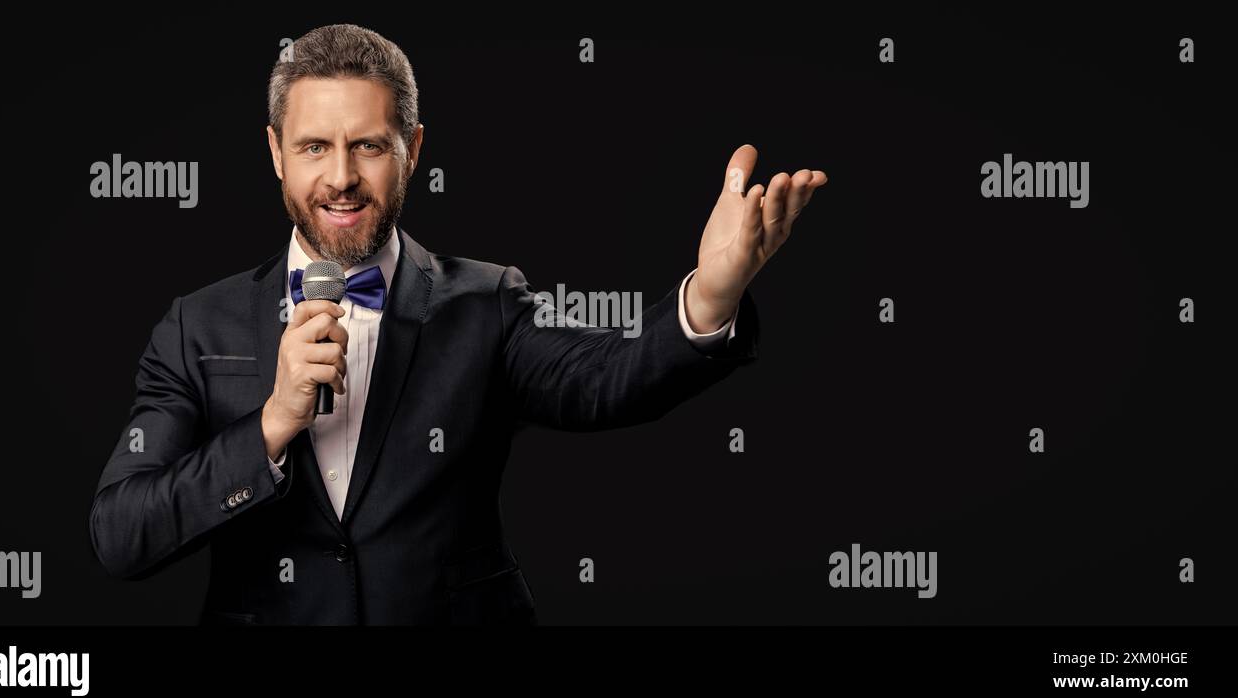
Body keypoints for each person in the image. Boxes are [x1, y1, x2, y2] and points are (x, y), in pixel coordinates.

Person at [89, 23, 828, 625]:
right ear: (277, 154)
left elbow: (606, 381)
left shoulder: (486, 301)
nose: (341, 176)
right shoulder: (196, 327)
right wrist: (272, 425)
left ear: (411, 152)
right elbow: (123, 535)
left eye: (369, 145)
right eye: (315, 146)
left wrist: (710, 297)